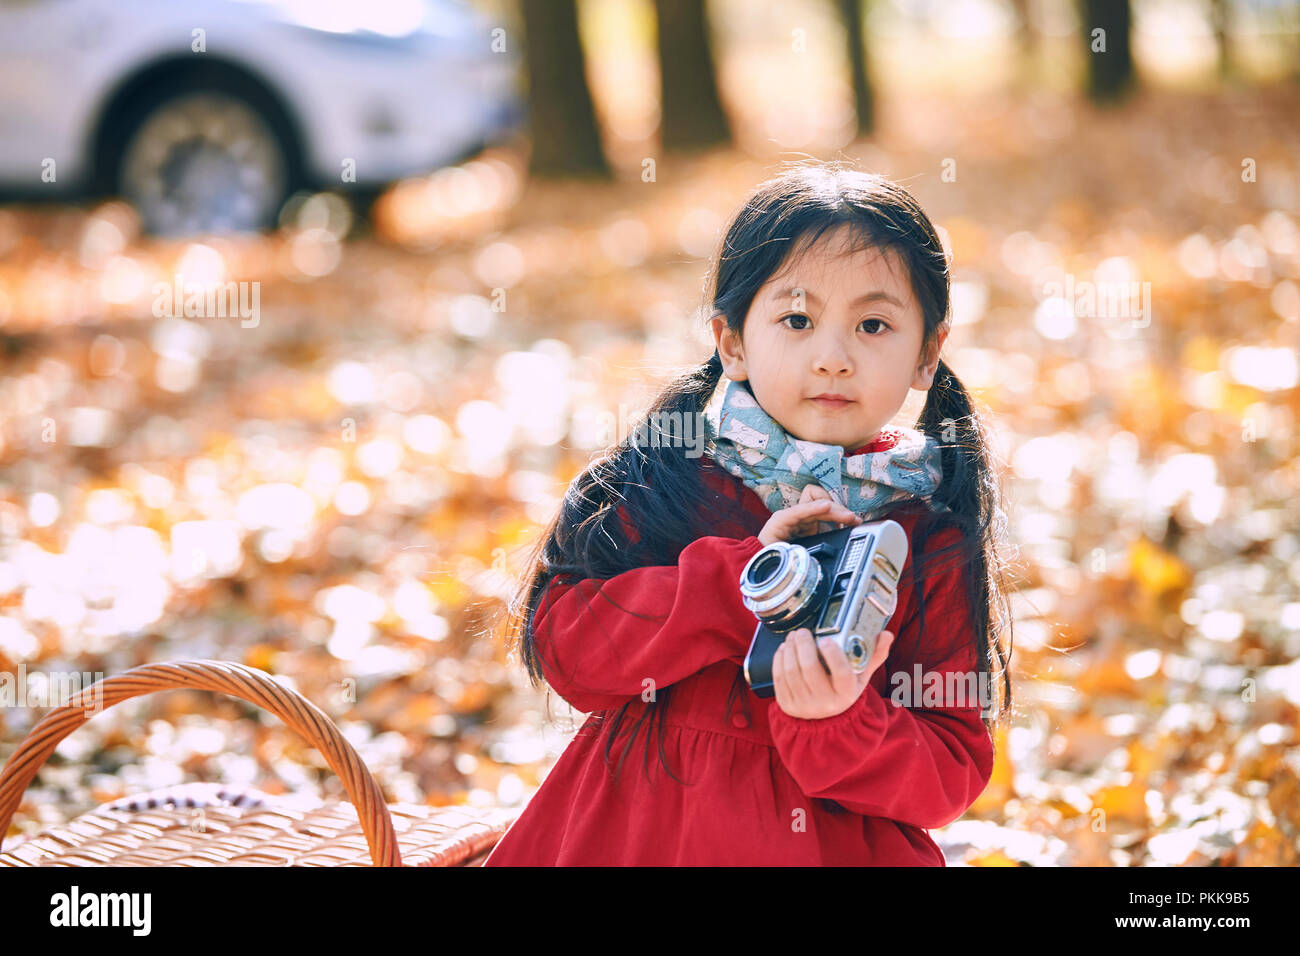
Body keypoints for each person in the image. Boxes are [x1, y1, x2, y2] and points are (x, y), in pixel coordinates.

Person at [482, 161, 1014, 866]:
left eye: (874, 325)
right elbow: (570, 655)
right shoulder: (670, 475)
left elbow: (947, 774)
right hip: (632, 836)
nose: (833, 358)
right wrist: (739, 585)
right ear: (732, 341)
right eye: (797, 319)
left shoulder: (927, 533)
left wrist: (836, 721)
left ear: (927, 354)